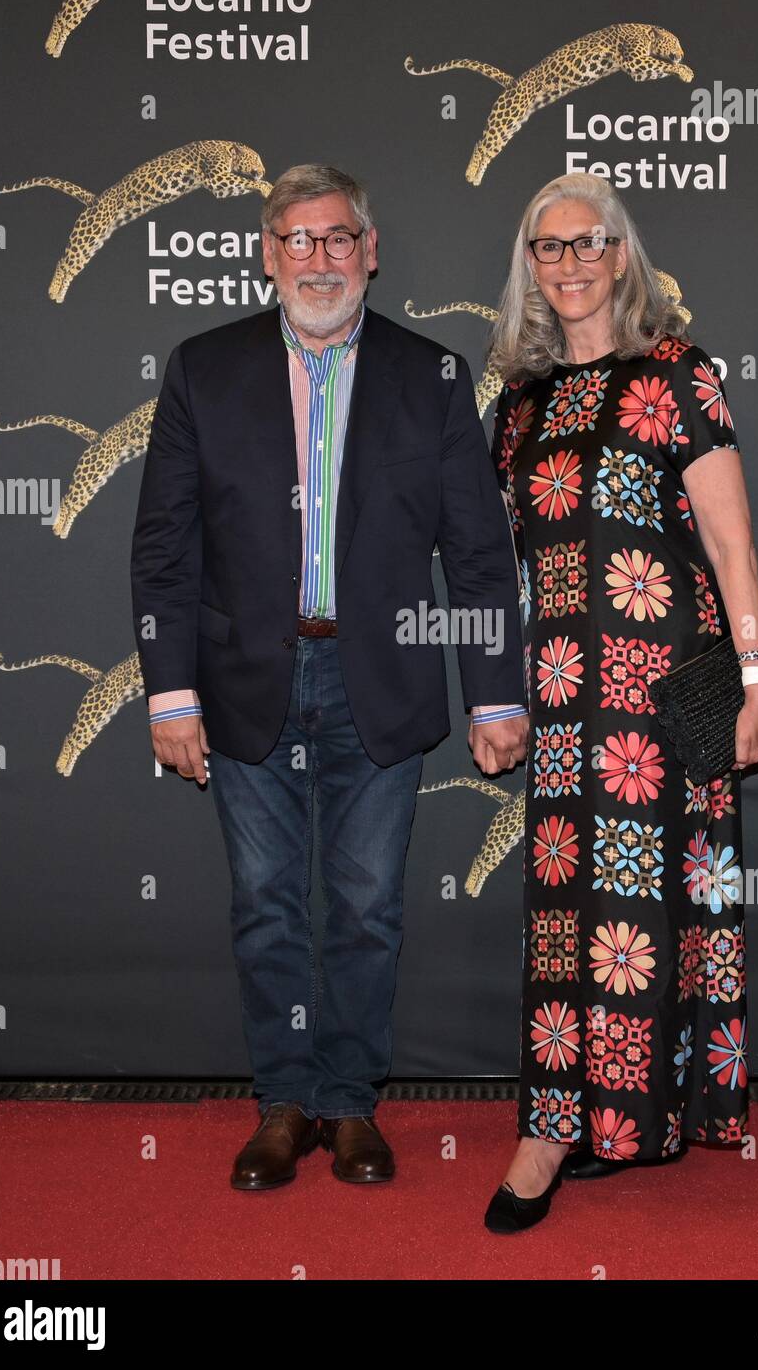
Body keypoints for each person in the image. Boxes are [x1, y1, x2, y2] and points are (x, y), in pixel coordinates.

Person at [130, 164, 528, 1190]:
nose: (318, 259)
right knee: (265, 902)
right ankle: (283, 1104)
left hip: (380, 681)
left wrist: (492, 692)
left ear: (371, 248)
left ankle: (350, 1103)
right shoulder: (201, 369)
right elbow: (165, 548)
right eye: (296, 241)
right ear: (268, 255)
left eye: (337, 238)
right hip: (240, 680)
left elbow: (477, 555)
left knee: (364, 907)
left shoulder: (431, 375)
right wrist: (170, 692)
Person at [482, 172, 758, 1233]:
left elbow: (731, 541)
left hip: (662, 697)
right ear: (529, 266)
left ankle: (630, 1112)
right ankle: (559, 1124)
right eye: (546, 247)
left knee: (653, 916)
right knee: (572, 924)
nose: (567, 264)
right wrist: (493, 696)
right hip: (563, 704)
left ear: (619, 254)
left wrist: (753, 676)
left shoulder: (675, 374)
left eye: (586, 243)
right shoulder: (514, 407)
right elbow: (502, 574)